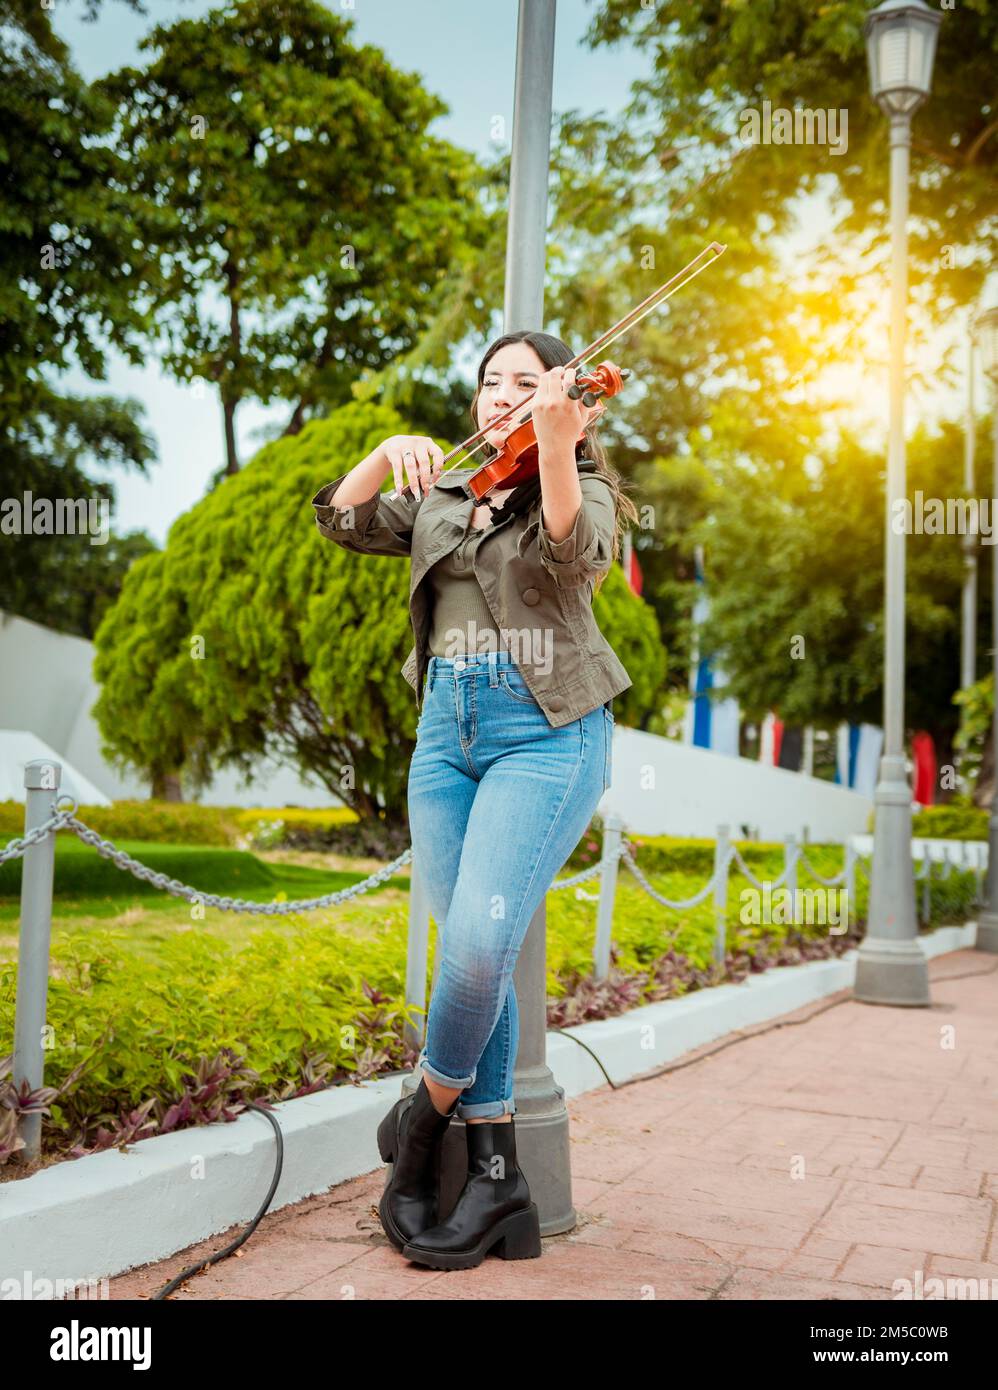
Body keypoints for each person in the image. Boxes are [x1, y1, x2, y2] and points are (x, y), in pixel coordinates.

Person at [311, 329, 636, 1270]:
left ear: (565, 398)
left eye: (525, 384)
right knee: (472, 964)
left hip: (548, 731)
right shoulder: (446, 494)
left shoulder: (583, 483)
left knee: (479, 946)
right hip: (442, 742)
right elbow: (339, 519)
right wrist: (382, 456)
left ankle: (417, 1133)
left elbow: (576, 559)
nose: (501, 396)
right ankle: (497, 1181)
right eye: (490, 382)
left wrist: (563, 444)